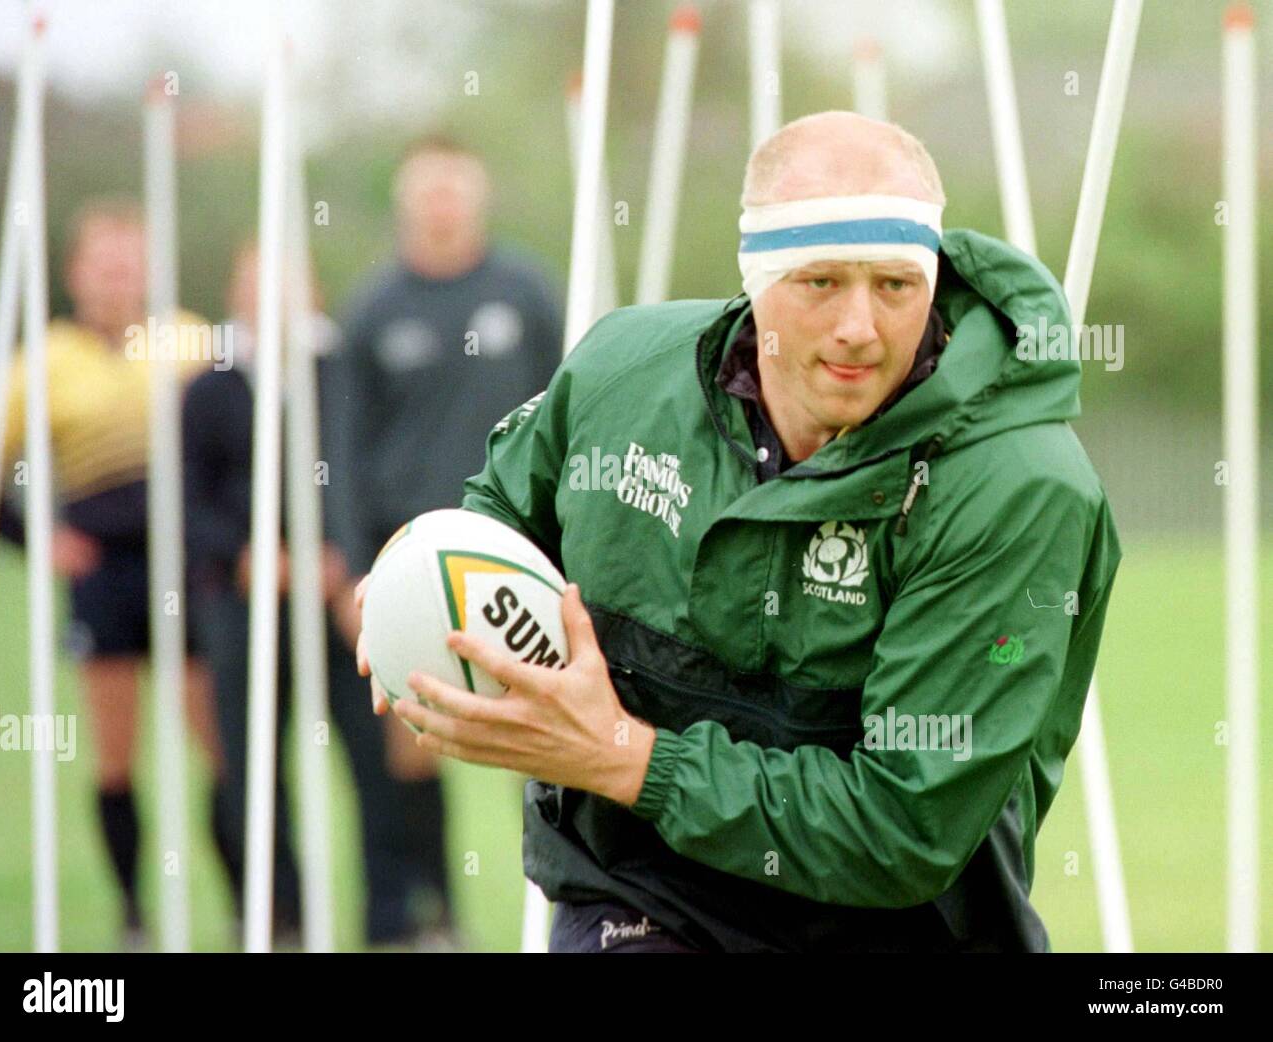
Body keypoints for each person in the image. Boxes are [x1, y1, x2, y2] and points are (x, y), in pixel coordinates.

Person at [355, 111, 1123, 953]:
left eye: (896, 285)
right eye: (821, 282)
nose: (860, 326)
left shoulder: (1016, 486)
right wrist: (412, 595)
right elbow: (497, 516)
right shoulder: (622, 374)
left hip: (892, 923)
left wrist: (624, 756)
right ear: (756, 282)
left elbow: (905, 825)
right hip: (635, 888)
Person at [329, 134, 563, 944]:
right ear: (405, 201)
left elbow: (571, 415)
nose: (441, 204)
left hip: (521, 554)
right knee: (414, 750)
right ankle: (437, 916)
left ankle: (553, 910)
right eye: (427, 189)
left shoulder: (525, 291)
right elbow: (344, 450)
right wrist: (350, 567)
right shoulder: (373, 309)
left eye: (454, 188)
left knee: (537, 739)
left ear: (478, 196)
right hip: (407, 568)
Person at [0, 200, 226, 947]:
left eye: (129, 263)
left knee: (216, 738)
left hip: (186, 562)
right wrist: (35, 535)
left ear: (148, 268)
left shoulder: (192, 341)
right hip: (102, 573)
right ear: (76, 273)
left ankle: (256, 902)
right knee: (115, 752)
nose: (117, 279)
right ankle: (132, 913)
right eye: (103, 264)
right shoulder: (40, 361)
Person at [181, 243, 419, 947]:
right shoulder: (209, 385)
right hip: (240, 606)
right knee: (250, 766)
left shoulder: (343, 375)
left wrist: (343, 559)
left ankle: (392, 917)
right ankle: (278, 914)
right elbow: (188, 501)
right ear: (236, 292)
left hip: (337, 598)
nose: (274, 298)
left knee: (375, 760)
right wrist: (246, 554)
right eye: (258, 283)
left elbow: (368, 474)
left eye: (288, 283)